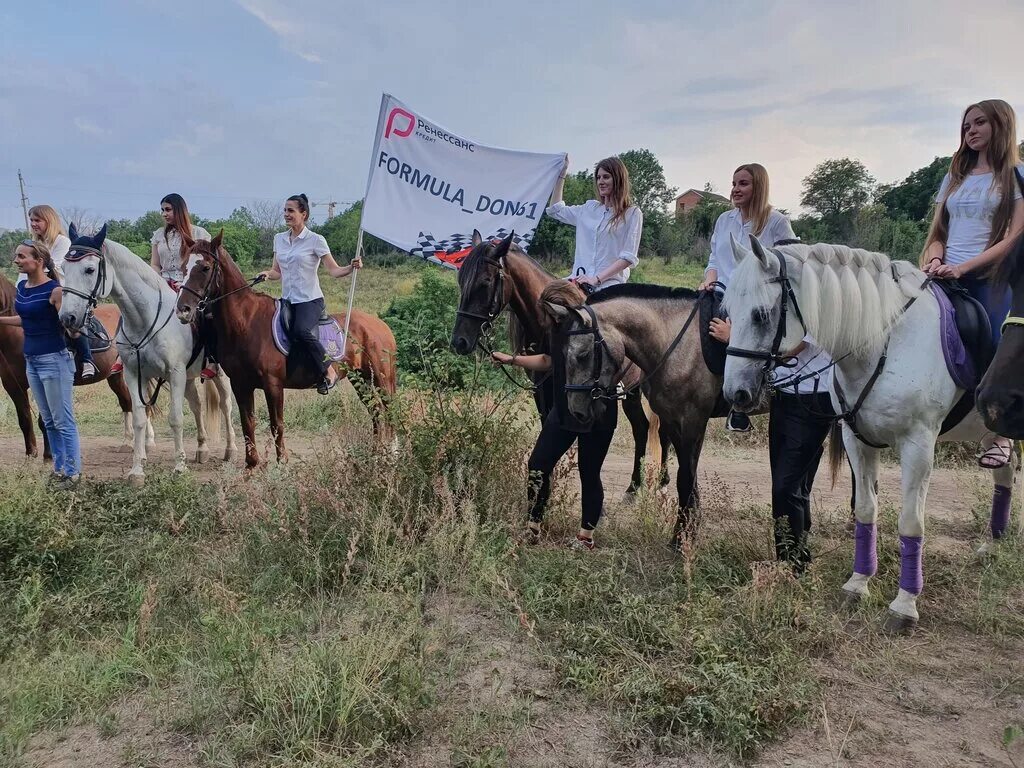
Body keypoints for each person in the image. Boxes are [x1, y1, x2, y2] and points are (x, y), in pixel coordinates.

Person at [922, 99, 1024, 469]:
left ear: (1001, 125)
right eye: (967, 126)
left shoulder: (1016, 175)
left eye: (980, 123)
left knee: (999, 341)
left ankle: (1001, 434)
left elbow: (1013, 237)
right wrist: (936, 259)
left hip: (989, 278)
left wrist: (964, 268)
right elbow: (939, 232)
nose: (971, 131)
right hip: (943, 273)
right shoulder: (955, 177)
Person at [491, 281, 618, 550]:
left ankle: (585, 537)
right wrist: (511, 359)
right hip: (563, 409)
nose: (544, 319)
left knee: (589, 472)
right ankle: (533, 527)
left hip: (598, 411)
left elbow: (620, 361)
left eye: (547, 313)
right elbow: (548, 360)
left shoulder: (600, 327)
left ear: (559, 309)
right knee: (538, 464)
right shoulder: (558, 329)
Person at [703, 163, 796, 431]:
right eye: (733, 184)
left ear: (759, 187)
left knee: (734, 335)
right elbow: (714, 258)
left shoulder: (777, 222)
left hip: (758, 301)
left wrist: (736, 331)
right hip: (722, 292)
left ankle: (741, 404)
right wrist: (709, 277)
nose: (735, 189)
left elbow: (789, 263)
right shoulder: (724, 220)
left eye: (743, 184)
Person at [257, 194, 361, 395]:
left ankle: (328, 370)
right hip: (287, 300)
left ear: (303, 214)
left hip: (309, 300)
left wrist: (351, 267)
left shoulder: (316, 240)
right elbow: (277, 272)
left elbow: (334, 270)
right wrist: (267, 274)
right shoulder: (279, 239)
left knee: (301, 331)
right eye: (285, 210)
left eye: (291, 211)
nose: (286, 214)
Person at [0, 240, 83, 488]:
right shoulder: (23, 287)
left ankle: (73, 472)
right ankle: (59, 469)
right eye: (16, 256)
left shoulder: (55, 290)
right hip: (32, 361)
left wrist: (77, 338)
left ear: (39, 261)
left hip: (54, 360)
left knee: (63, 420)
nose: (16, 260)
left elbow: (69, 325)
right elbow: (26, 320)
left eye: (22, 256)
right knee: (47, 420)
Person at [546, 155, 642, 291]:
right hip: (577, 280)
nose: (600, 181)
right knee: (542, 297)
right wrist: (562, 174)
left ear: (619, 179)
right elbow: (555, 210)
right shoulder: (589, 209)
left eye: (606, 177)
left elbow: (628, 257)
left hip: (609, 285)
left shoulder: (632, 214)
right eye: (598, 177)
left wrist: (596, 279)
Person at [25, 205, 98, 381]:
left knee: (69, 318)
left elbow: (55, 266)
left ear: (48, 221)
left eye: (37, 220)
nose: (34, 224)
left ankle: (87, 359)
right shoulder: (35, 244)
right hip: (38, 288)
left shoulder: (62, 242)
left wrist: (34, 269)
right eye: (32, 220)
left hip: (61, 286)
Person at [149, 193, 215, 380]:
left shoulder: (198, 233)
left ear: (179, 210)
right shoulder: (159, 235)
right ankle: (126, 354)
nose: (164, 214)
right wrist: (159, 281)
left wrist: (183, 284)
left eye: (168, 209)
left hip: (189, 285)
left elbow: (205, 264)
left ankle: (212, 358)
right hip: (162, 284)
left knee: (208, 315)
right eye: (162, 210)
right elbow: (154, 263)